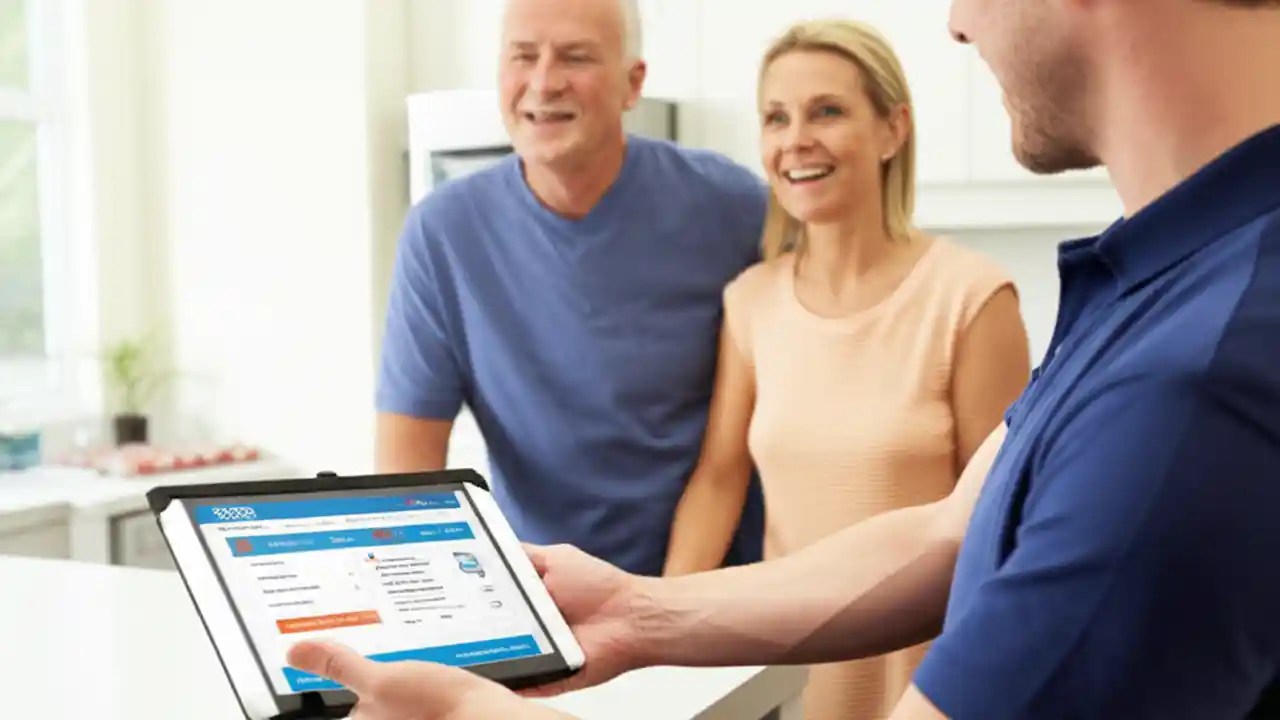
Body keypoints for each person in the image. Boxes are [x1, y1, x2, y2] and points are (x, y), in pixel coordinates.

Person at [290, 0, 1280, 717]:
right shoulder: (1153, 290)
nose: (953, 24)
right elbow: (948, 534)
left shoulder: (1190, 379)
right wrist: (638, 611)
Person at [659, 20, 1029, 719]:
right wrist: (660, 627)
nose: (795, 139)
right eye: (776, 118)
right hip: (789, 684)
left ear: (893, 129)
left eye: (826, 111)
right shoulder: (752, 301)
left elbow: (1002, 527)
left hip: (930, 687)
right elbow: (719, 479)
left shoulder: (970, 298)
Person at [375, 0, 767, 577]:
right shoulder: (443, 234)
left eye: (576, 57)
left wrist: (671, 606)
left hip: (712, 592)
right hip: (545, 593)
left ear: (633, 83)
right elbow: (407, 475)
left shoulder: (736, 209)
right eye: (523, 56)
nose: (544, 82)